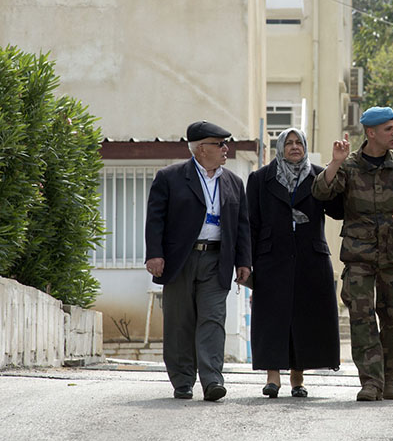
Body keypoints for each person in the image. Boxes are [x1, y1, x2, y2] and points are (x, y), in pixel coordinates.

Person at [312, 106, 393, 402]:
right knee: (361, 319)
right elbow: (321, 192)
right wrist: (334, 163)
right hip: (359, 255)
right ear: (371, 133)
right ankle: (370, 382)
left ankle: (391, 378)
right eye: (389, 129)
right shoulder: (349, 166)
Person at [144, 120, 251, 402]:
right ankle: (182, 381)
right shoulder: (170, 177)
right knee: (180, 321)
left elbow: (242, 225)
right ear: (202, 149)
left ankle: (212, 380)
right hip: (180, 260)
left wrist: (244, 261)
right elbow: (155, 219)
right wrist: (154, 253)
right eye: (220, 144)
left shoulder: (233, 182)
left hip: (217, 259)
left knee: (213, 319)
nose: (226, 149)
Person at [246, 127, 343, 398]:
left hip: (310, 260)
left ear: (305, 145)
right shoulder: (260, 179)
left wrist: (334, 167)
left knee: (304, 318)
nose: (294, 147)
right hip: (271, 259)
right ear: (280, 147)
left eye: (298, 142)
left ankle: (297, 378)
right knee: (272, 318)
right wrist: (247, 263)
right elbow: (251, 224)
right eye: (288, 143)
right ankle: (272, 377)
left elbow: (338, 211)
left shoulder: (319, 176)